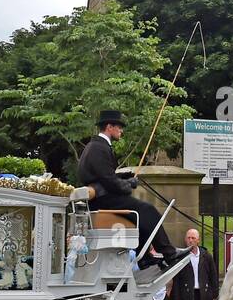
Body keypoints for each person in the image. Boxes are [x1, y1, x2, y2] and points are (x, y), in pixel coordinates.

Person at [77, 111, 182, 266]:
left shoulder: (95, 146)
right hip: (103, 199)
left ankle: (144, 257)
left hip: (101, 196)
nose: (121, 130)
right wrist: (128, 185)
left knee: (141, 215)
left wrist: (124, 178)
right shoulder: (99, 148)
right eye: (119, 127)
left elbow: (105, 176)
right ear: (109, 127)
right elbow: (108, 180)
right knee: (148, 211)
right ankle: (169, 253)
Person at [169, 229, 219, 300]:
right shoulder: (181, 257)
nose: (190, 240)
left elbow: (213, 276)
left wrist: (215, 296)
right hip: (186, 296)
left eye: (193, 238)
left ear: (198, 240)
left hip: (204, 295)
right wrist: (177, 299)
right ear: (185, 239)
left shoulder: (206, 256)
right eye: (188, 238)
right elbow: (176, 279)